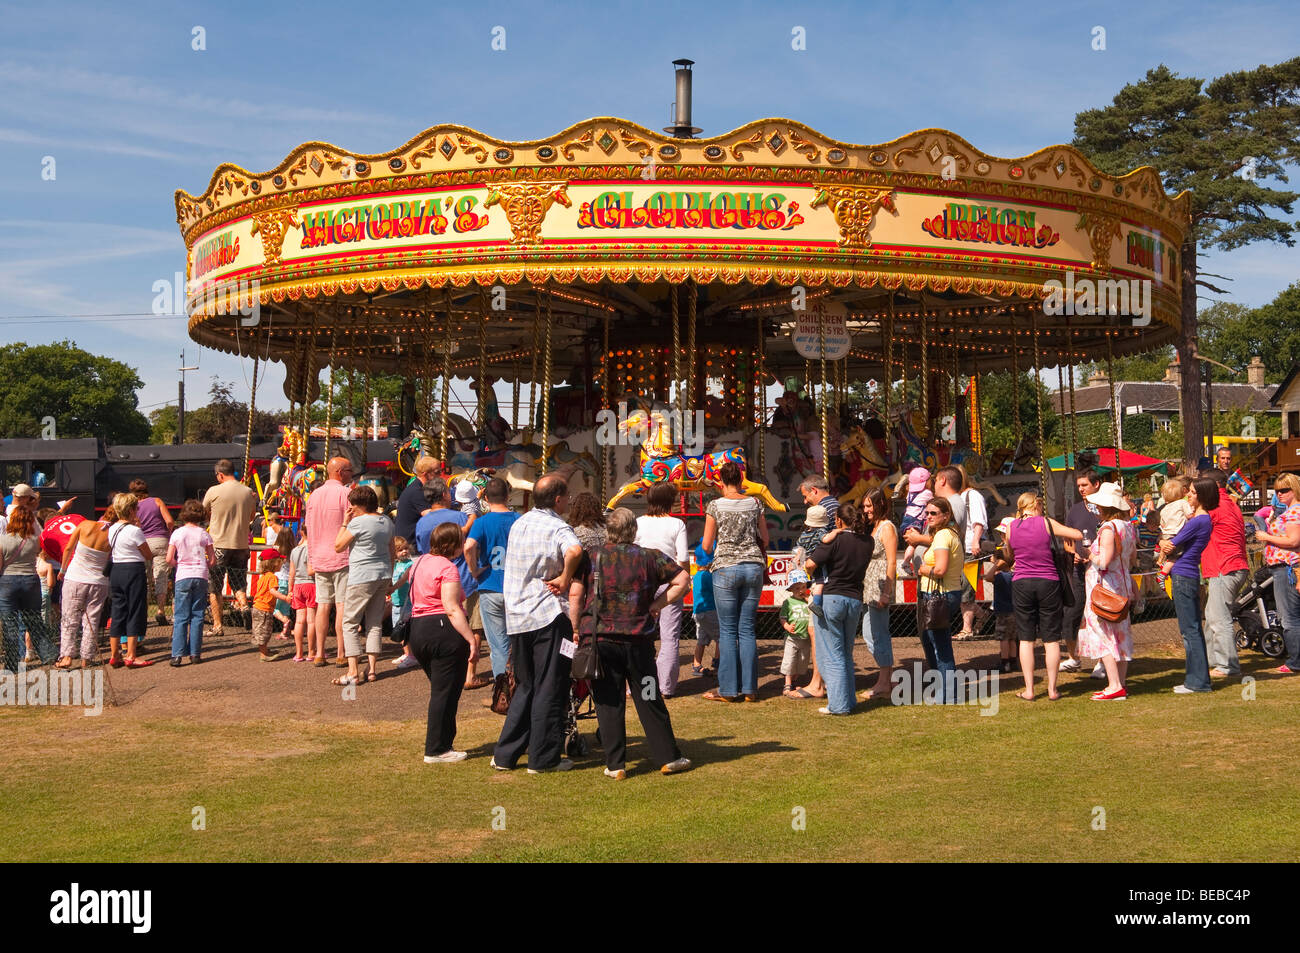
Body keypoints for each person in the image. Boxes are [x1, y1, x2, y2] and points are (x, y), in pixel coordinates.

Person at [568, 506, 692, 779]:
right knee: (649, 696)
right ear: (633, 530)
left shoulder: (592, 557)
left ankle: (616, 765)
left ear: (608, 531)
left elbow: (576, 594)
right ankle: (669, 757)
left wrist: (576, 626)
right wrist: (658, 604)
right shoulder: (650, 557)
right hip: (638, 644)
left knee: (608, 701)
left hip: (600, 641)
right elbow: (683, 579)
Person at [491, 473, 584, 773]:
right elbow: (575, 550)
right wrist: (566, 577)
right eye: (567, 496)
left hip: (518, 616)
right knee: (550, 686)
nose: (569, 501)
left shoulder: (520, 522)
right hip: (547, 614)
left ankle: (505, 754)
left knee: (527, 685)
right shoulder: (558, 526)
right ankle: (543, 758)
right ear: (557, 499)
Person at [408, 521, 480, 763]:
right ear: (453, 544)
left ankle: (442, 744)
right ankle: (437, 748)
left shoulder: (419, 562)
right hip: (442, 629)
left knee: (441, 690)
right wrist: (471, 639)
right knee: (445, 693)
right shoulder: (448, 568)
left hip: (418, 629)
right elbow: (451, 607)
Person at [701, 460, 769, 703]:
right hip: (753, 567)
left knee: (728, 631)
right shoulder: (755, 503)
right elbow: (766, 538)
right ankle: (750, 689)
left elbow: (707, 545)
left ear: (720, 481)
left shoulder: (715, 506)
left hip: (726, 568)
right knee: (747, 629)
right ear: (741, 481)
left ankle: (729, 690)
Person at [1004, 492, 1082, 701]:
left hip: (1022, 582)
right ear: (1037, 505)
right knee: (1051, 639)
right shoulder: (1046, 522)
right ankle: (1052, 689)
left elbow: (1009, 553)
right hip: (1048, 581)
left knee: (1026, 639)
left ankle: (1029, 689)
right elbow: (1077, 535)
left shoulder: (1011, 526)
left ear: (1021, 508)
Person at [415, 478, 487, 690]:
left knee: (448, 622)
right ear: (445, 495)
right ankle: (470, 673)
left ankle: (452, 667)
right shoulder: (459, 516)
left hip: (435, 578)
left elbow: (422, 550)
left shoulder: (422, 522)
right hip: (463, 576)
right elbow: (472, 544)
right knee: (473, 625)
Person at [806, 504, 874, 714]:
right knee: (845, 652)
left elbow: (810, 564)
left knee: (832, 654)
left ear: (838, 520)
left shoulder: (835, 539)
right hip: (854, 599)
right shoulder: (868, 541)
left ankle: (838, 705)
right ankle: (848, 701)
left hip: (832, 598)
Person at [1075, 483, 1138, 700]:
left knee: (1104, 635)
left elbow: (1104, 561)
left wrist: (1089, 555)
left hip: (1105, 588)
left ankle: (1113, 685)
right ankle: (1119, 684)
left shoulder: (1108, 529)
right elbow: (1132, 558)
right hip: (1121, 584)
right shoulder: (1128, 527)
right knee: (1119, 634)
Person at [1157, 477, 1219, 693]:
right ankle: (1198, 679)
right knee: (1192, 629)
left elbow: (1172, 544)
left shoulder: (1198, 521)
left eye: (1192, 492)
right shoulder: (1201, 520)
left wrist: (1164, 543)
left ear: (1201, 496)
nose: (1189, 495)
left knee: (1189, 630)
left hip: (1183, 574)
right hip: (1187, 573)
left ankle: (1197, 682)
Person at [333, 485, 396, 686]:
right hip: (383, 573)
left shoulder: (358, 522)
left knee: (349, 622)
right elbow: (392, 551)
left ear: (358, 505)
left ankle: (352, 671)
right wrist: (391, 576)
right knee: (374, 622)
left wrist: (345, 523)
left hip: (361, 576)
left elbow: (338, 546)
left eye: (352, 505)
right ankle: (371, 669)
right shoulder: (387, 521)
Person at [634, 482, 689, 698]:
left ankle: (638, 686)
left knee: (639, 635)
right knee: (669, 636)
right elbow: (683, 558)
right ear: (670, 501)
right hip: (669, 582)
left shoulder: (638, 522)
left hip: (642, 582)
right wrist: (683, 581)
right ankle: (664, 687)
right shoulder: (677, 524)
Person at [465, 478, 520, 683]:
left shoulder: (481, 522)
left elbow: (468, 546)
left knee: (498, 644)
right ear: (508, 496)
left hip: (490, 584)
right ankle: (519, 684)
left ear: (486, 498)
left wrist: (475, 570)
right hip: (515, 586)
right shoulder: (518, 519)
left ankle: (503, 689)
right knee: (518, 641)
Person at [914, 496, 965, 702]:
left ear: (946, 515)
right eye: (927, 513)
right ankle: (943, 689)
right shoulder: (946, 534)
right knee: (932, 640)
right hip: (942, 594)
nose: (928, 517)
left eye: (933, 513)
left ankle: (948, 693)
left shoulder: (944, 535)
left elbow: (941, 569)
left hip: (941, 595)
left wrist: (924, 569)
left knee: (940, 645)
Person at [1199, 469, 1248, 678]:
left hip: (1224, 568)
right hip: (1231, 567)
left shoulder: (1216, 506)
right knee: (1212, 616)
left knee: (1220, 619)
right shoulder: (1229, 503)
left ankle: (1228, 666)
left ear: (1213, 485)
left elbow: (1196, 525)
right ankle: (1213, 661)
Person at [305, 456, 354, 666]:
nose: (352, 474)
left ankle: (319, 652)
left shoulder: (313, 496)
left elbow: (308, 529)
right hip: (342, 555)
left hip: (319, 556)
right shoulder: (346, 493)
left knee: (323, 605)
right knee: (342, 605)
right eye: (350, 470)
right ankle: (342, 652)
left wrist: (311, 558)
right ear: (340, 472)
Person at [202, 459, 258, 637]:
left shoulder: (213, 491)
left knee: (215, 587)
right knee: (238, 581)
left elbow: (203, 512)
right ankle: (244, 605)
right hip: (241, 544)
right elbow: (251, 517)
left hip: (219, 544)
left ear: (219, 474)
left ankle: (218, 626)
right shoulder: (248, 492)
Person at [0, 504, 57, 672]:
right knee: (34, 622)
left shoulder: (2, 540)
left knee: (9, 625)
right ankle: (48, 656)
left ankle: (12, 664)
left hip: (8, 582)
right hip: (31, 582)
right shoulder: (34, 540)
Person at [1254, 472, 1300, 675]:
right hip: (1284, 568)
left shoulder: (1294, 513)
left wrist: (1267, 537)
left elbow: (1293, 541)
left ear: (1295, 490)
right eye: (1277, 490)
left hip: (1286, 569)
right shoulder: (1289, 512)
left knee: (1289, 617)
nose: (1279, 494)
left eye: (1284, 490)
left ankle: (1295, 661)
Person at [105, 493, 157, 667]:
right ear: (131, 510)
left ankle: (115, 654)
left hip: (116, 570)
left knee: (118, 611)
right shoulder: (135, 531)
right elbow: (147, 554)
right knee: (135, 610)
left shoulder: (111, 528)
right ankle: (131, 655)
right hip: (133, 570)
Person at [55, 513, 112, 668]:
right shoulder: (113, 533)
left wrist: (62, 570)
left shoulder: (84, 525)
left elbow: (68, 548)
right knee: (91, 620)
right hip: (99, 582)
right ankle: (86, 658)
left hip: (75, 578)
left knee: (69, 618)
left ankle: (66, 657)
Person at [1060, 469, 1102, 676]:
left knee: (1099, 614)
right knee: (1072, 613)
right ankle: (1073, 658)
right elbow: (1067, 540)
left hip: (1100, 569)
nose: (1081, 489)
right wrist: (1073, 553)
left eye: (1084, 485)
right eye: (1079, 486)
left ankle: (1103, 660)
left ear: (1096, 484)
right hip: (1077, 569)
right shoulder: (1075, 510)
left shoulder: (1105, 509)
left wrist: (1094, 555)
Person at [167, 500, 216, 666]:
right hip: (200, 574)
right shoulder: (204, 534)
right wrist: (204, 565)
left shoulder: (177, 533)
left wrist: (178, 565)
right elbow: (212, 559)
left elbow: (169, 558)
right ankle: (195, 654)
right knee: (197, 615)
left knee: (180, 616)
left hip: (183, 575)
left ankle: (176, 655)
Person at [860, 488, 897, 698]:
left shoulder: (887, 528)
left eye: (869, 506)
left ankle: (884, 682)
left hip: (880, 586)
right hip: (869, 587)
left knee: (877, 634)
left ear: (880, 504)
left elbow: (891, 561)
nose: (866, 510)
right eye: (864, 506)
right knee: (870, 634)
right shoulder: (874, 528)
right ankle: (887, 679)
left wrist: (886, 592)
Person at [129, 479, 175, 628]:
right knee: (161, 576)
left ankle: (144, 612)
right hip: (160, 540)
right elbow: (169, 521)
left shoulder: (132, 505)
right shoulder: (157, 501)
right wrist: (168, 534)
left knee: (145, 578)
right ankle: (161, 610)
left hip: (142, 542)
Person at [956, 471, 988, 640]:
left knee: (966, 588)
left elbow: (979, 521)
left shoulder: (973, 495)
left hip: (970, 547)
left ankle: (967, 628)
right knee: (959, 589)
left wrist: (976, 540)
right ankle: (981, 614)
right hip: (958, 549)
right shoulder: (956, 498)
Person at [779, 568, 814, 697]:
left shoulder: (808, 601)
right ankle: (787, 683)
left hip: (806, 638)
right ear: (791, 589)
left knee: (802, 661)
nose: (800, 591)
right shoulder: (788, 602)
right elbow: (782, 617)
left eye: (803, 587)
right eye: (797, 588)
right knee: (790, 660)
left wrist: (808, 600)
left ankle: (794, 681)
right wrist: (787, 626)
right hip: (792, 638)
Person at [794, 504, 831, 621]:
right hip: (818, 561)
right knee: (821, 582)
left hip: (807, 561)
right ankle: (817, 603)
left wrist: (797, 561)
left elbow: (799, 548)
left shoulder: (804, 534)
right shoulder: (821, 531)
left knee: (815, 581)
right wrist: (835, 533)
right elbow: (825, 539)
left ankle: (813, 596)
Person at [393, 455, 440, 543]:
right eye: (437, 472)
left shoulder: (418, 488)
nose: (440, 475)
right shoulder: (416, 491)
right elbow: (431, 516)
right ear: (425, 474)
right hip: (411, 545)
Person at [287, 525, 316, 663]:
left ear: (301, 532)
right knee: (311, 621)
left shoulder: (294, 551)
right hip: (311, 584)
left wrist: (289, 590)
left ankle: (299, 653)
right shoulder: (313, 549)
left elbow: (291, 573)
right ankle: (311, 652)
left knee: (299, 621)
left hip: (297, 585)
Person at [690, 543, 720, 677]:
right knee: (721, 637)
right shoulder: (709, 576)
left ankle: (696, 665)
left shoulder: (697, 576)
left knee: (701, 640)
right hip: (710, 611)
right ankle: (719, 662)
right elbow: (717, 591)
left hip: (698, 612)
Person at [250, 548, 284, 663]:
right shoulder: (272, 577)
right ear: (274, 563)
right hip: (264, 608)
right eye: (280, 561)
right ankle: (263, 655)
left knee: (261, 630)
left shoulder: (263, 576)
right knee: (263, 631)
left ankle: (265, 651)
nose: (282, 564)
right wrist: (285, 598)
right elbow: (272, 591)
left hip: (258, 607)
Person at [387, 536, 416, 669]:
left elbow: (403, 580)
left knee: (406, 630)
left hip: (407, 602)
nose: (404, 551)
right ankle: (407, 654)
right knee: (399, 630)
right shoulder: (395, 564)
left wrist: (392, 588)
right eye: (400, 550)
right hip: (396, 602)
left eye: (405, 548)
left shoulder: (410, 564)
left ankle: (411, 656)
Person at [1155, 477, 1192, 580]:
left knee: (1167, 551)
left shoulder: (1164, 509)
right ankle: (1162, 575)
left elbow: (1162, 524)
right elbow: (1189, 515)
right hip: (1177, 534)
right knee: (1174, 557)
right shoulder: (1182, 503)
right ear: (1181, 493)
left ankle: (1160, 560)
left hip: (1166, 534)